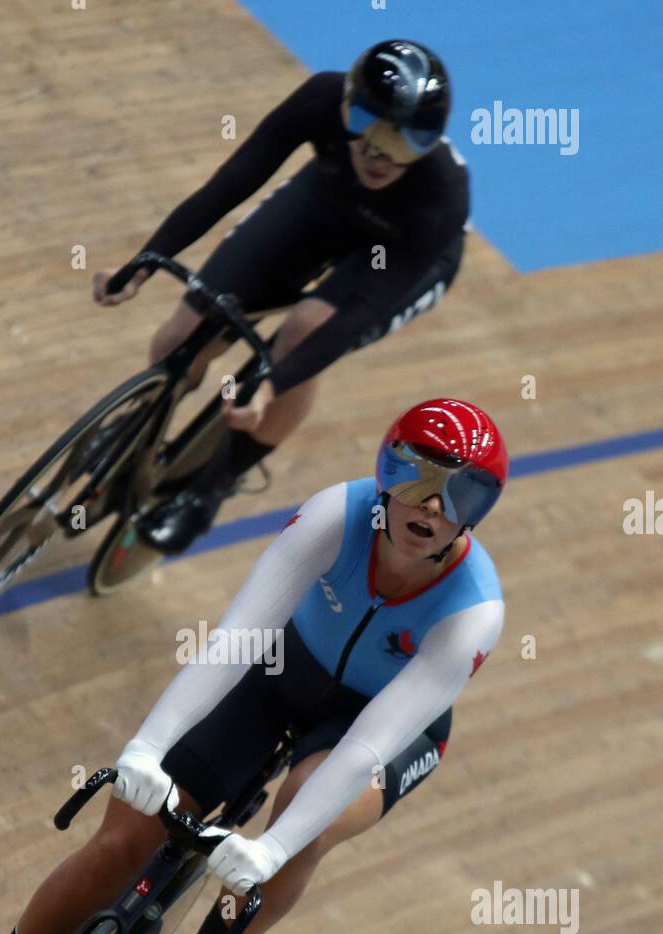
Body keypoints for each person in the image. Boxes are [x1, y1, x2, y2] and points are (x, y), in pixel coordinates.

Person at [0, 398, 508, 934]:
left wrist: (272, 850)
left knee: (307, 813)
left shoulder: (474, 612)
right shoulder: (335, 518)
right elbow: (236, 642)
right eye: (413, 475)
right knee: (120, 844)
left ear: (478, 510)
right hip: (281, 673)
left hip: (377, 729)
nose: (429, 504)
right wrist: (145, 750)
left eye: (459, 492)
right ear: (382, 471)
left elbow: (370, 746)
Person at [91, 39, 469, 556]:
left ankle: (210, 489)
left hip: (401, 253)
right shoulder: (320, 98)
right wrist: (144, 263)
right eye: (367, 126)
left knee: (304, 332)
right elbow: (229, 184)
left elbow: (360, 311)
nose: (380, 154)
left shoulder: (443, 194)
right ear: (344, 108)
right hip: (328, 202)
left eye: (405, 143)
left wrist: (274, 382)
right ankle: (133, 434)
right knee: (180, 337)